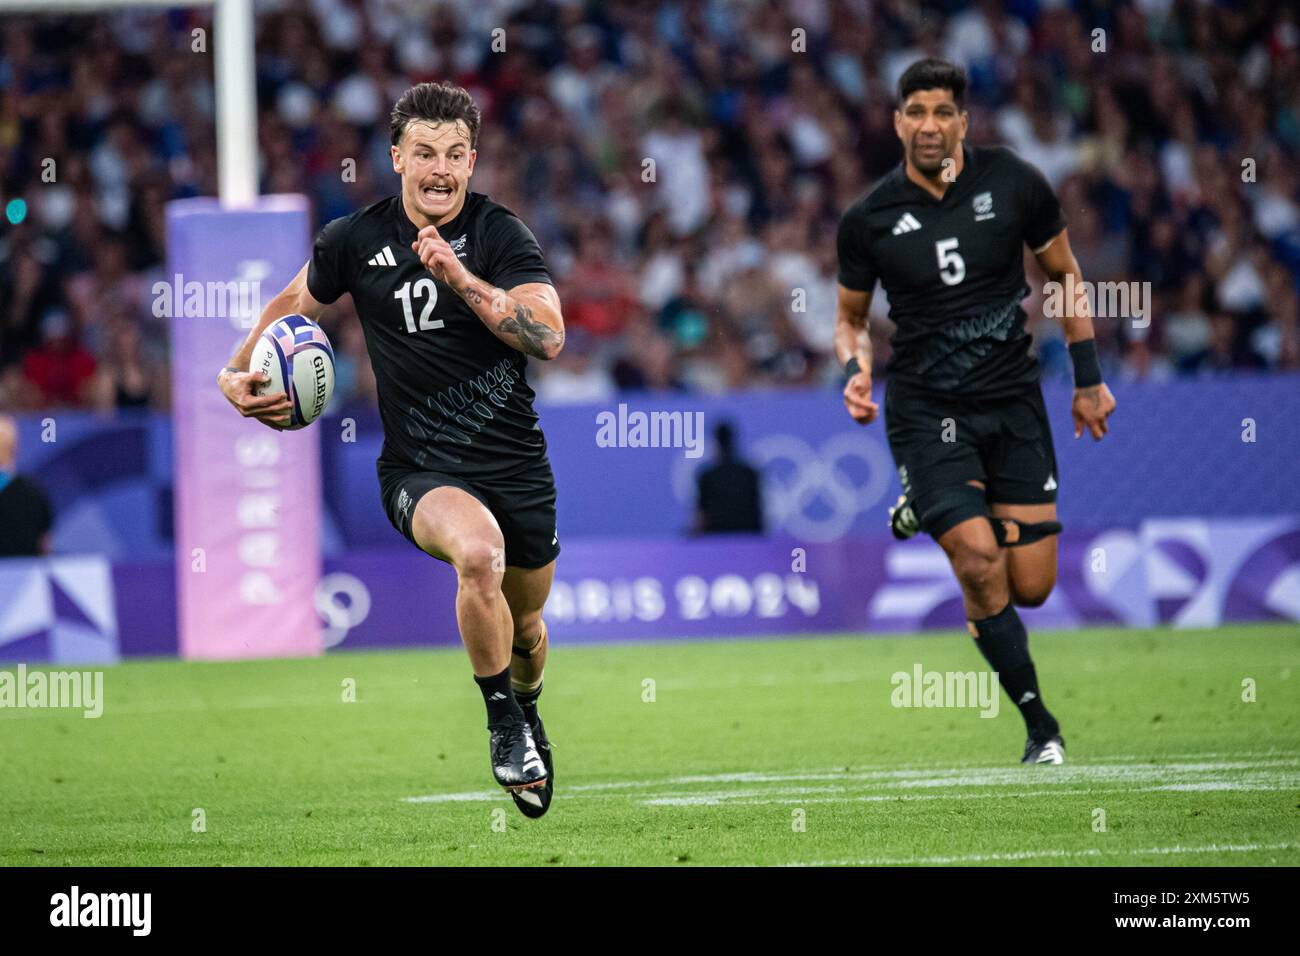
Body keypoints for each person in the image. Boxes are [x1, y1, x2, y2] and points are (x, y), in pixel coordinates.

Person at [217, 82, 565, 817]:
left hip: (516, 467)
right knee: (478, 555)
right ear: (397, 157)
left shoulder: (501, 236)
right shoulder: (354, 240)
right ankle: (503, 725)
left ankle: (526, 707)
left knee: (528, 628)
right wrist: (232, 370)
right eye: (426, 153)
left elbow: (549, 336)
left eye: (456, 155)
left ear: (472, 162)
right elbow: (291, 306)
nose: (441, 169)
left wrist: (461, 279)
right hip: (419, 470)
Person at [834, 59, 1117, 765]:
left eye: (942, 112)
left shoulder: (1015, 183)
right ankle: (1041, 728)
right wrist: (855, 371)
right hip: (926, 410)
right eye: (915, 112)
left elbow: (1065, 276)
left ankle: (926, 508)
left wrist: (1088, 380)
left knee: (1033, 586)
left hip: (1014, 403)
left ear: (962, 120)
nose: (928, 125)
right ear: (898, 121)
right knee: (978, 560)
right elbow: (849, 319)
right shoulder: (867, 219)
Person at [695, 422, 764, 534]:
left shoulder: (708, 476)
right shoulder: (750, 474)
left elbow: (701, 517)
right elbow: (760, 514)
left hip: (717, 537)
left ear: (716, 443)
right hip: (747, 536)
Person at [0, 415, 54, 557]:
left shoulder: (33, 494)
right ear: (16, 448)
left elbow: (44, 542)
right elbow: (45, 545)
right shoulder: (34, 493)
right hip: (28, 574)